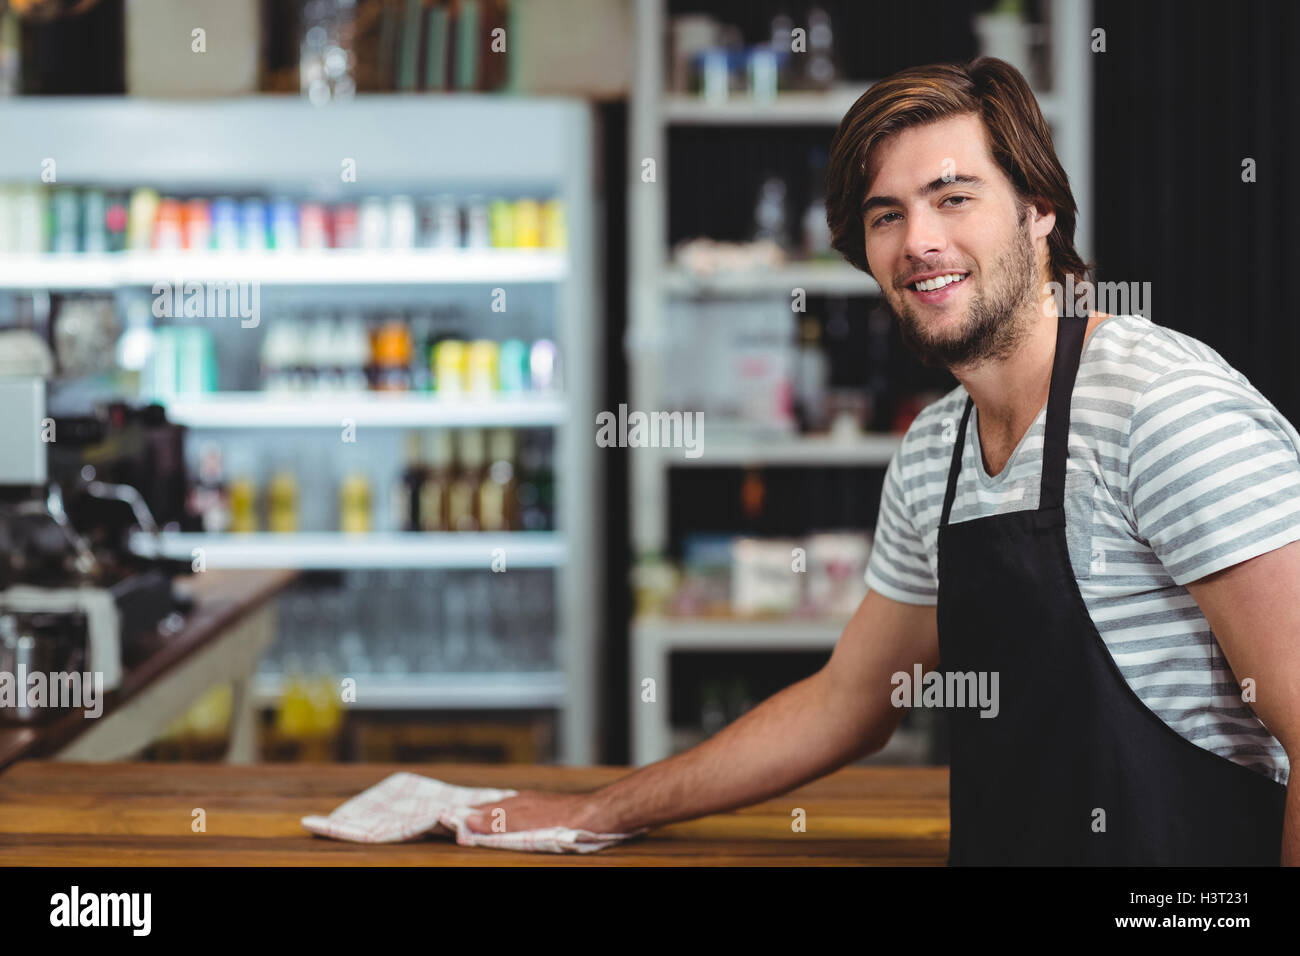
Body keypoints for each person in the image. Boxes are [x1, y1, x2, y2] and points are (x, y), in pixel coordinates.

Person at [466, 57, 1300, 865]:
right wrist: (595, 812)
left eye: (954, 197)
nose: (919, 242)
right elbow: (847, 703)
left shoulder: (1163, 409)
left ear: (1038, 209)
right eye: (886, 214)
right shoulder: (935, 453)